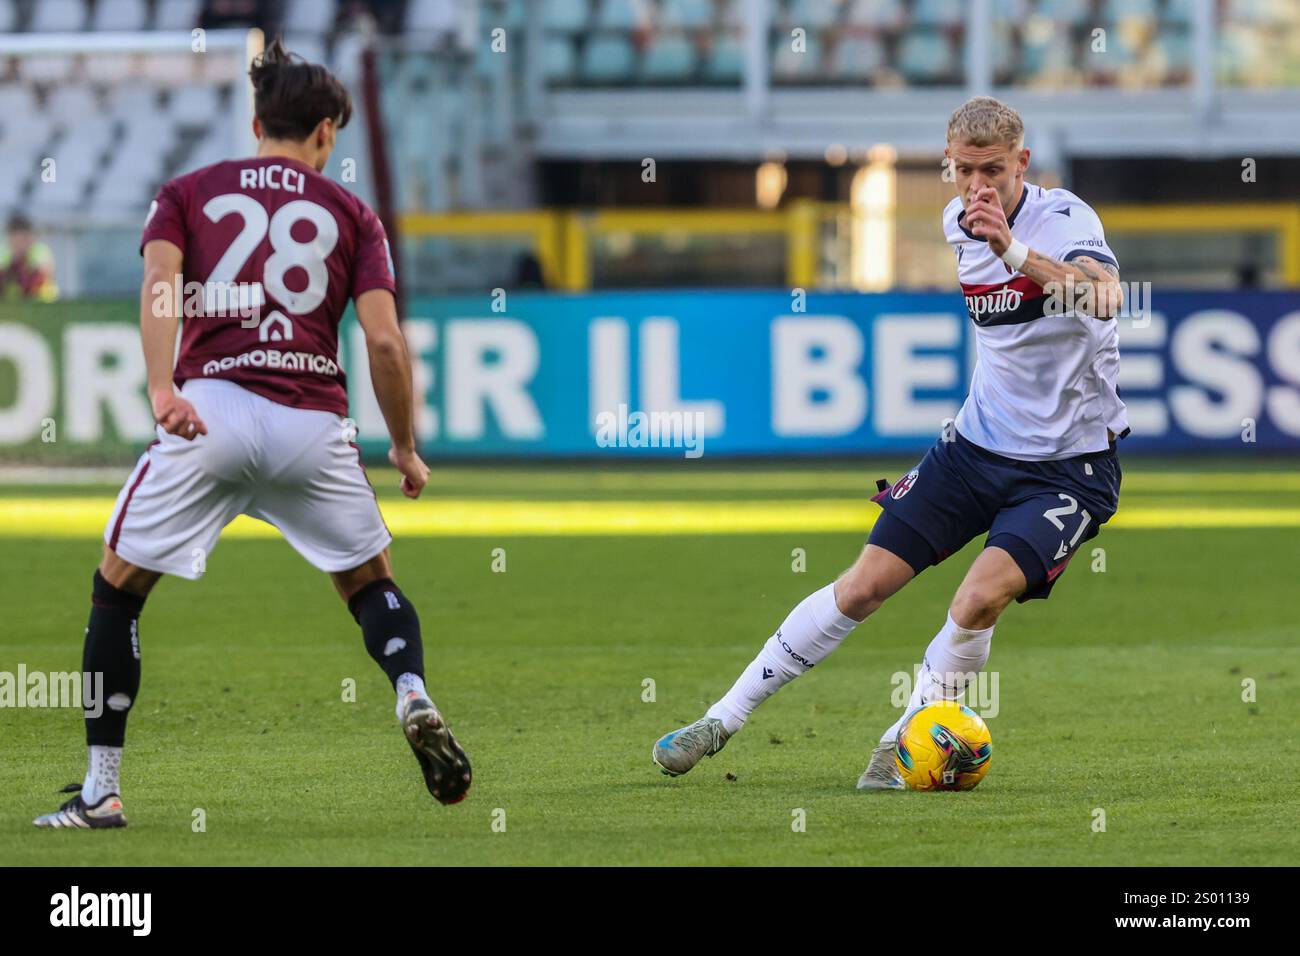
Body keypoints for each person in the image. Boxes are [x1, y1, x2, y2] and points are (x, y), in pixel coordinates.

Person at [36, 39, 470, 829]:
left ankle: (101, 791)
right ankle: (411, 691)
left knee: (117, 591)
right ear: (327, 135)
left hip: (211, 413)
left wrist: (163, 387)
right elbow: (383, 344)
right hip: (313, 424)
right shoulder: (353, 215)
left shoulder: (187, 192)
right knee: (372, 585)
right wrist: (404, 446)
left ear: (255, 119)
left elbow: (160, 283)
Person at [651, 96, 1127, 789]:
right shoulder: (955, 221)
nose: (977, 187)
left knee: (977, 602)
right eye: (963, 171)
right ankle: (721, 720)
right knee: (863, 586)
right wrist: (989, 239)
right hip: (975, 446)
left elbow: (1109, 298)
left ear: (1022, 162)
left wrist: (1012, 250)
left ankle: (903, 738)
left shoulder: (1065, 218)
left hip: (1068, 466)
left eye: (992, 170)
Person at [0, 213, 59, 302]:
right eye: (16, 240)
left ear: (31, 237)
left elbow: (42, 276)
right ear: (9, 238)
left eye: (23, 239)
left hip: (42, 304)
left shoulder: (40, 251)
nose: (20, 244)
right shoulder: (4, 253)